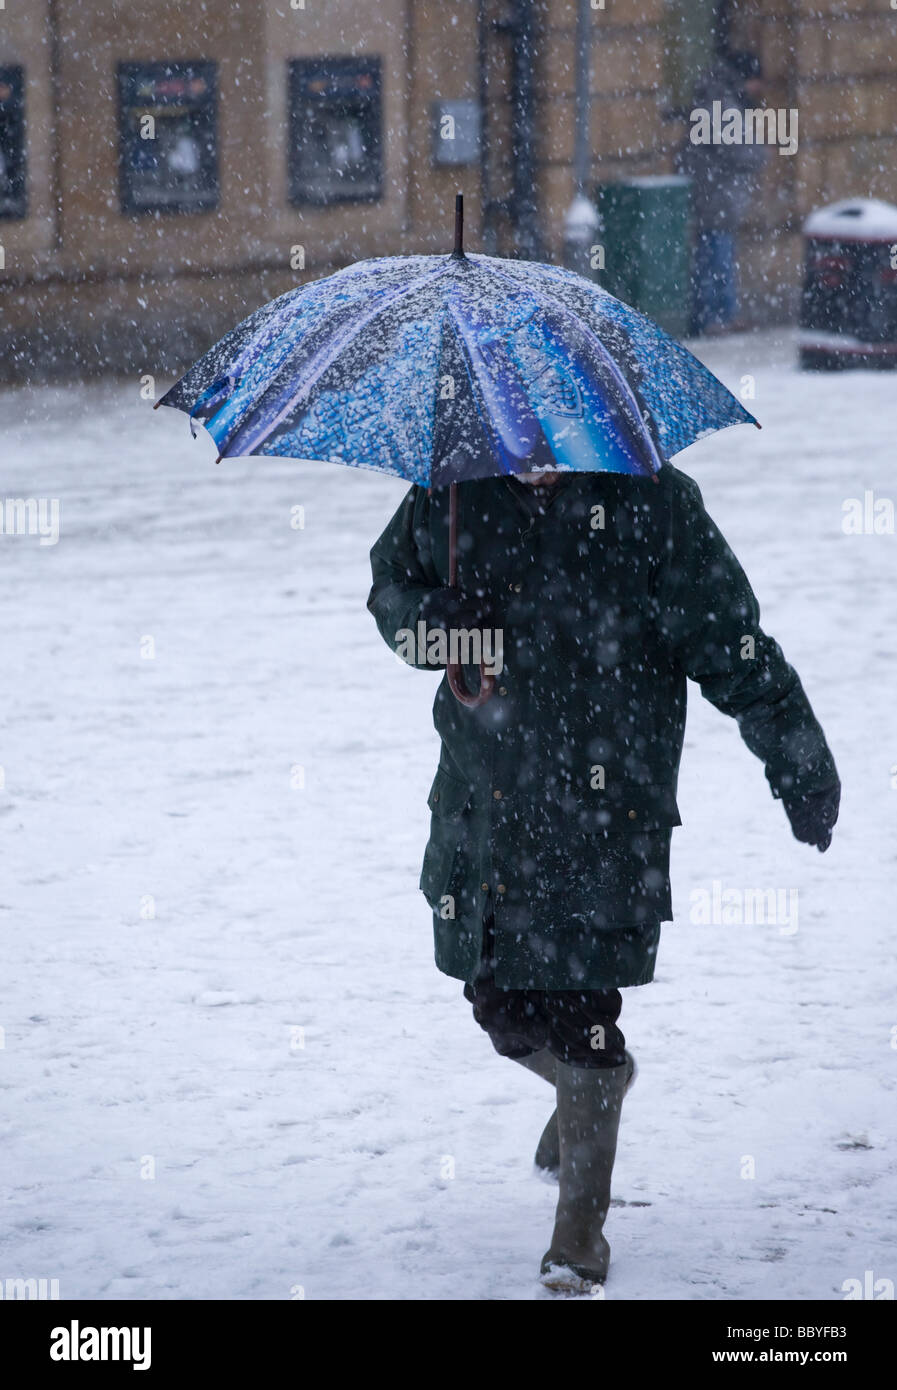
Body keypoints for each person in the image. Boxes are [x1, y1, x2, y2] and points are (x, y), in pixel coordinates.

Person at [367, 462, 839, 1293]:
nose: (535, 456)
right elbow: (392, 601)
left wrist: (795, 758)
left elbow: (730, 643)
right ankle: (598, 1097)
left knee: (585, 1017)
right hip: (486, 812)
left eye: (551, 436)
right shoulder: (448, 494)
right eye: (519, 433)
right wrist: (444, 627)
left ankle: (577, 1237)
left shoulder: (653, 502)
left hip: (603, 811)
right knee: (501, 1010)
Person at [678, 51, 768, 335]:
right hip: (717, 195)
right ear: (745, 78)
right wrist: (763, 153)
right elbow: (740, 150)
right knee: (717, 254)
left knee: (716, 252)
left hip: (715, 194)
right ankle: (714, 317)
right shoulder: (721, 104)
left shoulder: (715, 98)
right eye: (757, 81)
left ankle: (721, 314)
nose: (759, 89)